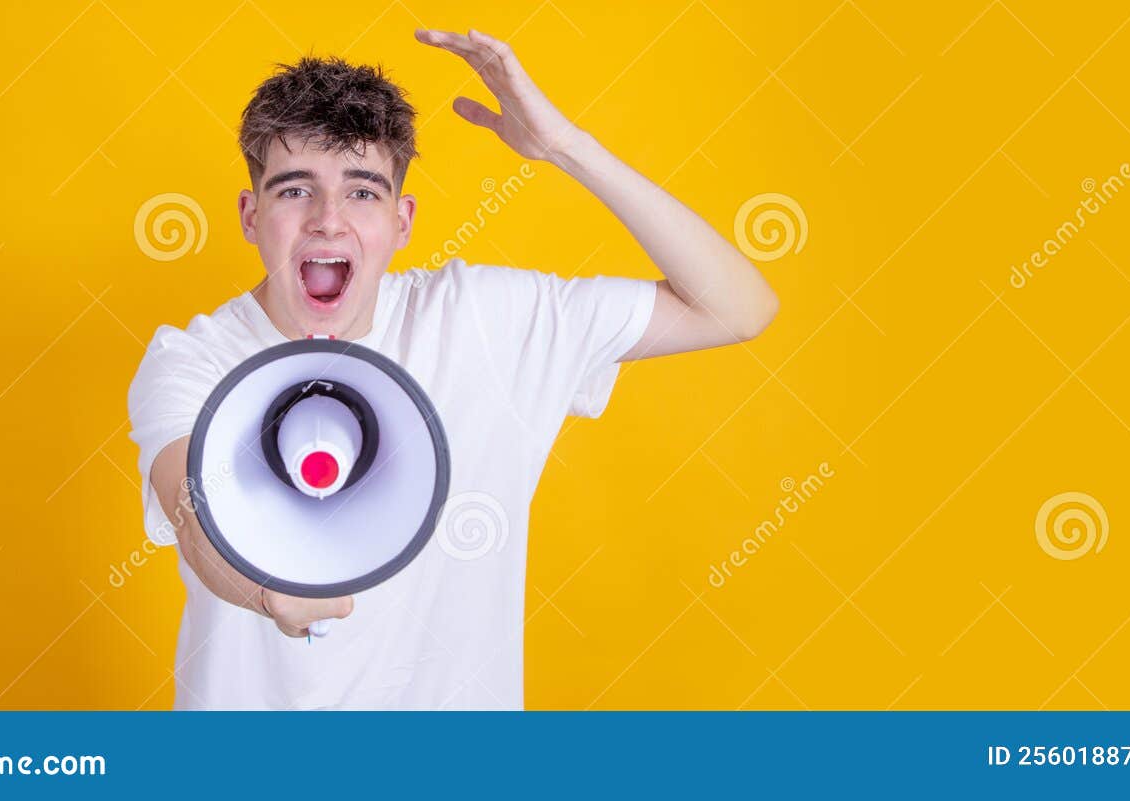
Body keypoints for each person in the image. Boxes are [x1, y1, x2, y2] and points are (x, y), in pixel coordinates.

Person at [128, 28, 778, 709]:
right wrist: (262, 590)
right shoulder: (193, 358)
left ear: (402, 220)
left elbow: (738, 308)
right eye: (294, 191)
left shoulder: (487, 321)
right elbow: (189, 506)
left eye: (362, 192)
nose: (327, 220)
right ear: (250, 213)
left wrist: (565, 148)